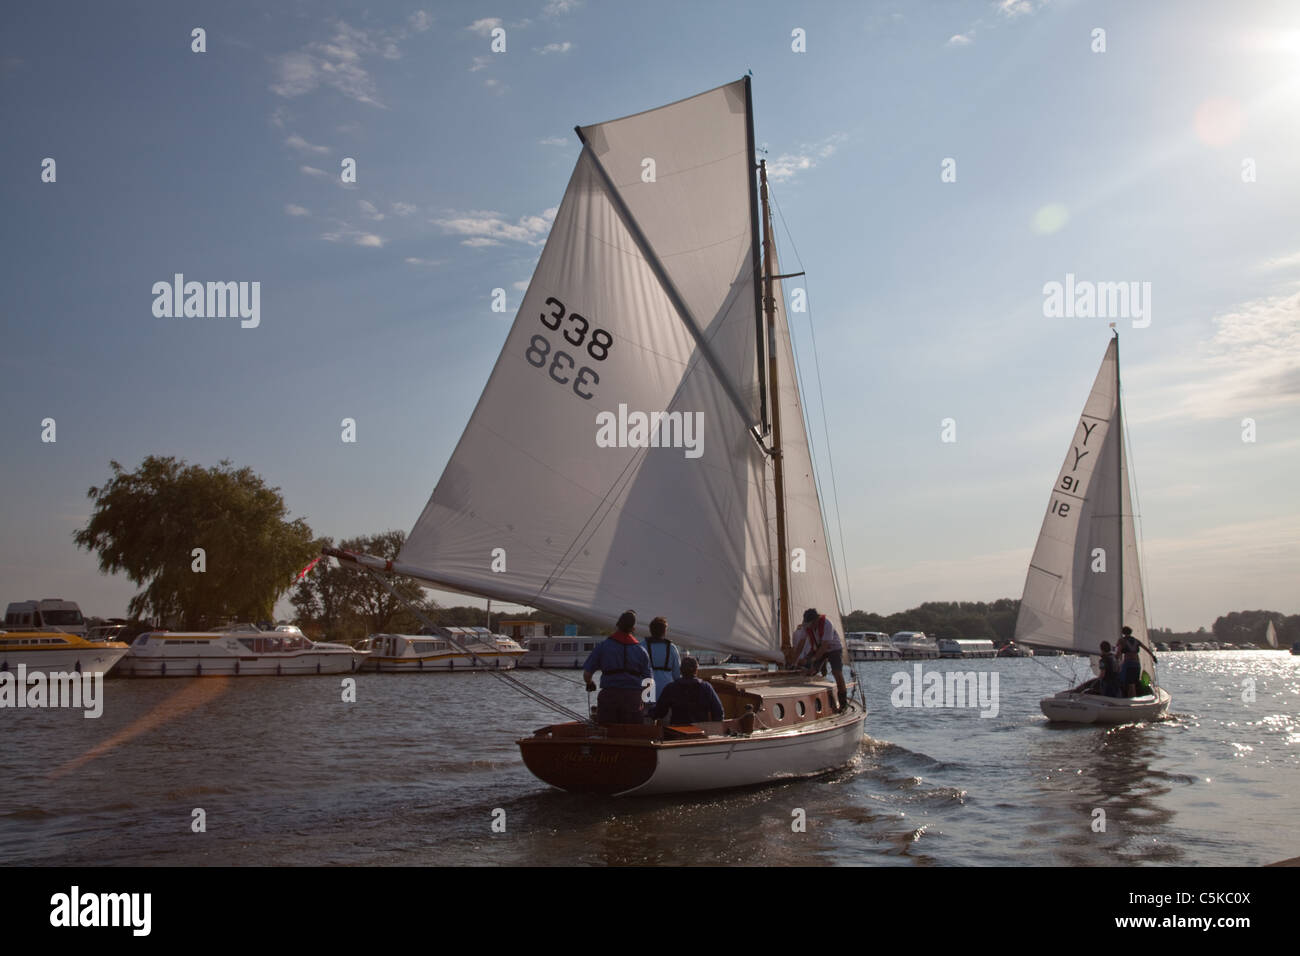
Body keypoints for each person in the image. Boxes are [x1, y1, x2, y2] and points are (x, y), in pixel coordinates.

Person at [582, 610, 652, 724]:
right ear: (633, 629)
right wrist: (648, 704)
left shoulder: (603, 647)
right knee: (632, 733)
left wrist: (590, 683)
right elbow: (649, 681)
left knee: (607, 732)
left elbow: (587, 674)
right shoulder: (641, 651)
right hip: (633, 699)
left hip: (609, 697)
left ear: (617, 625)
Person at [792, 608, 849, 713]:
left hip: (833, 649)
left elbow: (825, 646)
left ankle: (843, 702)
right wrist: (794, 660)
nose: (810, 626)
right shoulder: (807, 626)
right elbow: (801, 643)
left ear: (816, 620)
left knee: (837, 673)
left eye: (811, 623)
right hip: (818, 648)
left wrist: (813, 659)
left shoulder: (827, 624)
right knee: (810, 670)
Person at [651, 656, 724, 725]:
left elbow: (660, 712)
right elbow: (718, 712)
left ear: (681, 670)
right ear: (696, 670)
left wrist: (647, 713)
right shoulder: (706, 687)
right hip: (701, 732)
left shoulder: (671, 688)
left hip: (677, 732)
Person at [644, 616, 680, 701]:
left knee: (648, 713)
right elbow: (677, 674)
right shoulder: (672, 648)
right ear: (664, 631)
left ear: (650, 630)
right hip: (667, 687)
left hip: (647, 688)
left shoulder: (642, 646)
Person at [1117, 626, 1141, 697]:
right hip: (1137, 664)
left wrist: (1114, 659)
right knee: (1132, 684)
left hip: (1128, 664)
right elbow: (1146, 648)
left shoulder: (1122, 641)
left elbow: (1118, 652)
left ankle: (1128, 699)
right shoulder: (1136, 640)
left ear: (1123, 632)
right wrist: (1153, 657)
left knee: (1124, 682)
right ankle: (1132, 698)